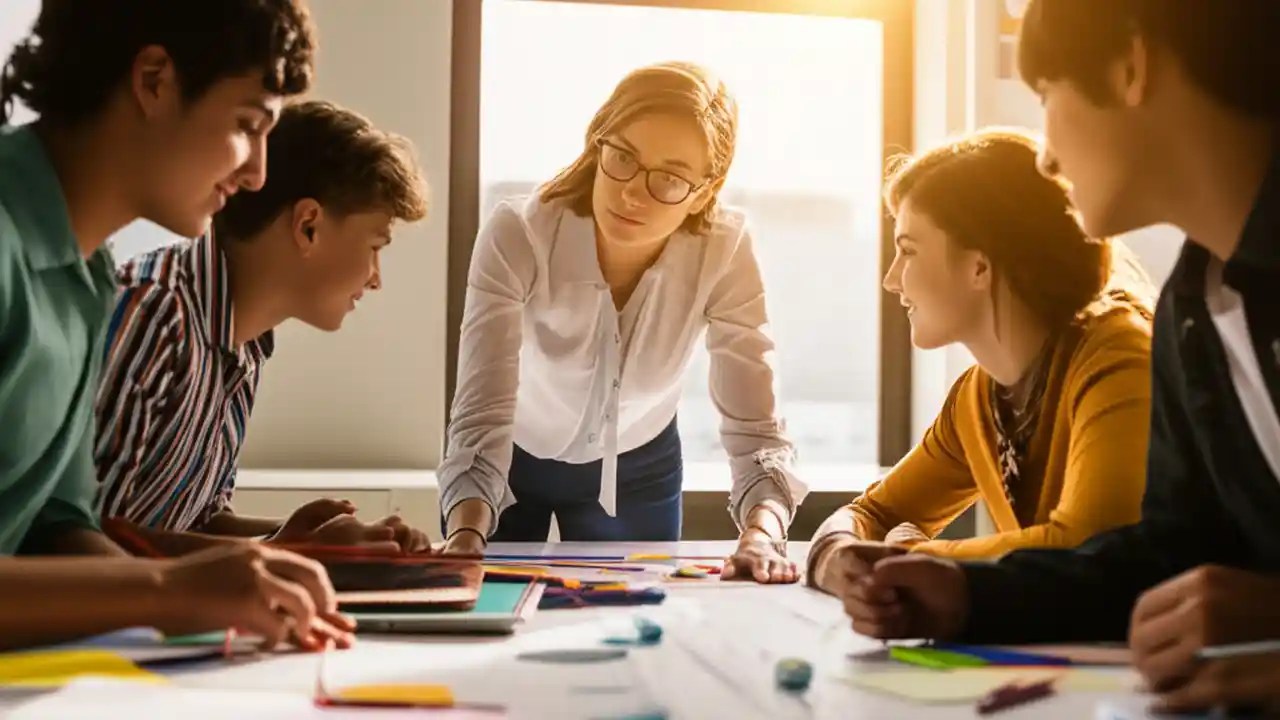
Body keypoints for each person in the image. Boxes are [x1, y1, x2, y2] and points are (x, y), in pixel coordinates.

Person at [839, 0, 1280, 714]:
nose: (1044, 155)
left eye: (1046, 97)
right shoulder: (1192, 310)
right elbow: (1165, 555)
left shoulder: (1129, 341)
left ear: (1131, 67)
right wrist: (968, 596)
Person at [0, 0, 352, 651]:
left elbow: (58, 529)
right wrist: (167, 590)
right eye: (249, 124)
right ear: (154, 80)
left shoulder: (89, 278)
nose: (257, 173)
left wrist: (226, 580)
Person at [438, 61, 807, 582]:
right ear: (597, 144)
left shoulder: (725, 250)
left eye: (672, 179)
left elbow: (756, 431)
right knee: (483, 606)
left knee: (634, 625)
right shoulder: (518, 233)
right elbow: (480, 414)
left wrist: (762, 535)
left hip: (640, 464)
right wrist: (465, 538)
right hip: (508, 456)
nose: (634, 193)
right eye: (623, 158)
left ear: (704, 191)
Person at [806, 129, 1154, 597]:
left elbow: (1086, 548)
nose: (891, 280)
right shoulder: (978, 397)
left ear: (979, 267)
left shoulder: (1121, 360)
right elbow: (874, 515)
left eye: (908, 250)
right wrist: (834, 555)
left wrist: (916, 556)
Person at [95, 100, 432, 553]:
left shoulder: (245, 342)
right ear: (308, 225)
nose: (376, 278)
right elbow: (91, 538)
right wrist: (291, 552)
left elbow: (194, 519)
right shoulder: (154, 312)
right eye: (375, 246)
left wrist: (322, 540)